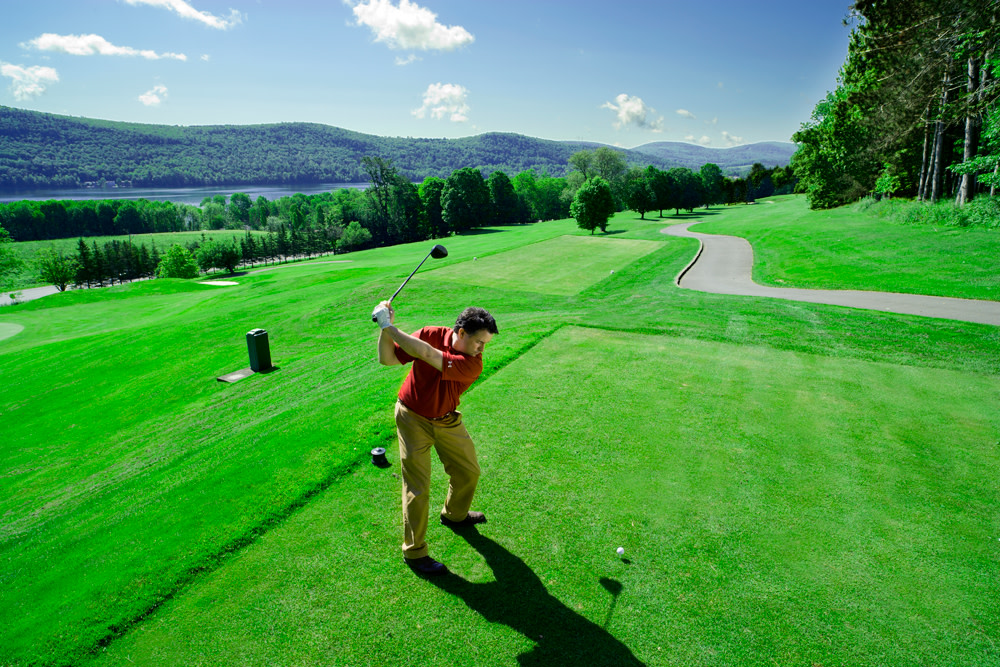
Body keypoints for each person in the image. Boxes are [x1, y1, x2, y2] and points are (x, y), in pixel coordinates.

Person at [373, 301, 498, 576]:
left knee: (469, 472)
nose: (482, 350)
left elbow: (428, 355)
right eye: (479, 342)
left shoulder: (472, 364)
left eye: (486, 343)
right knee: (417, 488)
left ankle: (454, 514)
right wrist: (384, 329)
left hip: (446, 419)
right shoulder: (431, 333)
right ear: (461, 332)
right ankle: (415, 552)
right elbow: (387, 359)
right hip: (412, 418)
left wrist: (389, 326)